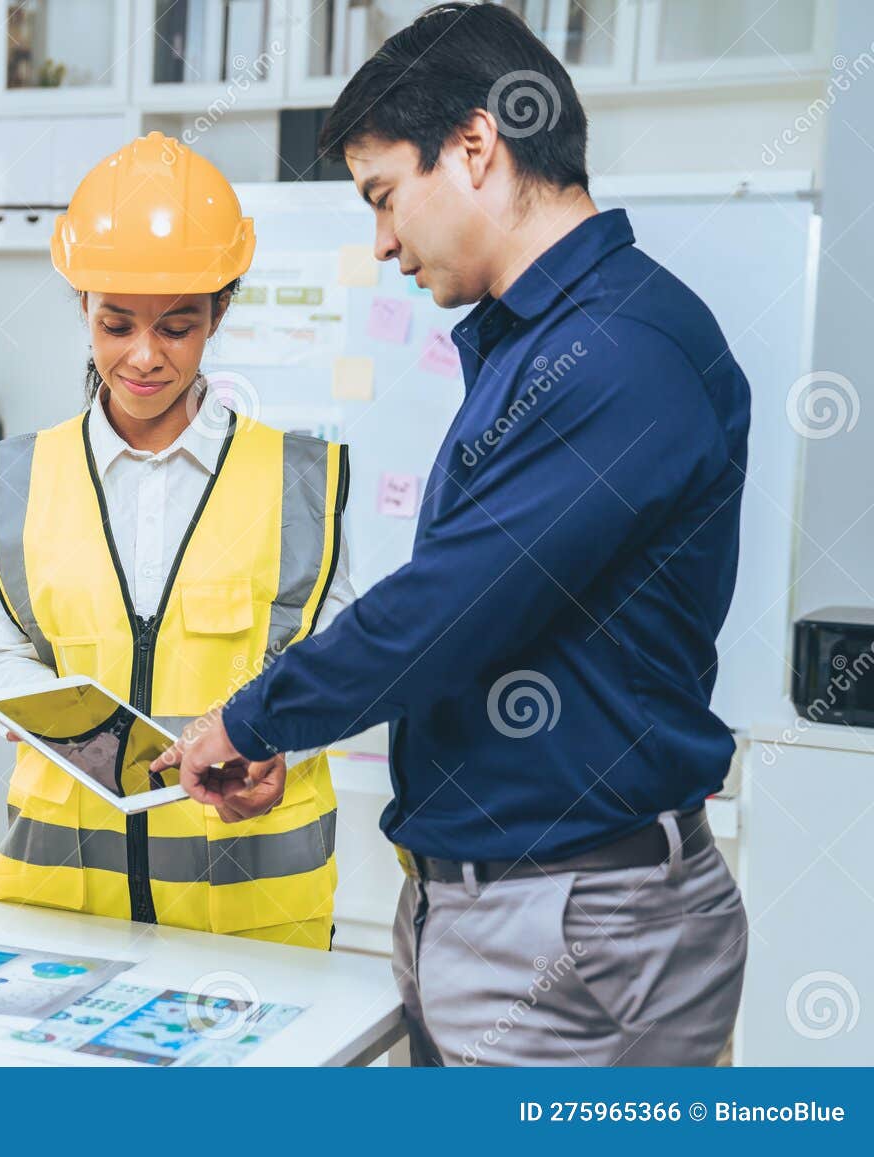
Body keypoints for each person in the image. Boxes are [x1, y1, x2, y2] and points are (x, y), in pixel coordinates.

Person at [157, 3, 749, 1064]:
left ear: (476, 145)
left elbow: (448, 608)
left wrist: (250, 719)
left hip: (573, 924)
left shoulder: (616, 351)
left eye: (384, 196)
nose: (382, 243)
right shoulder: (544, 342)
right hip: (502, 904)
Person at [0, 133, 354, 949]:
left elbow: (338, 668)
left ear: (219, 313)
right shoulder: (17, 478)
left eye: (177, 327)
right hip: (61, 913)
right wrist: (54, 714)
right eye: (115, 324)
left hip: (250, 923)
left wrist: (278, 743)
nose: (143, 357)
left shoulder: (302, 482)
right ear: (83, 305)